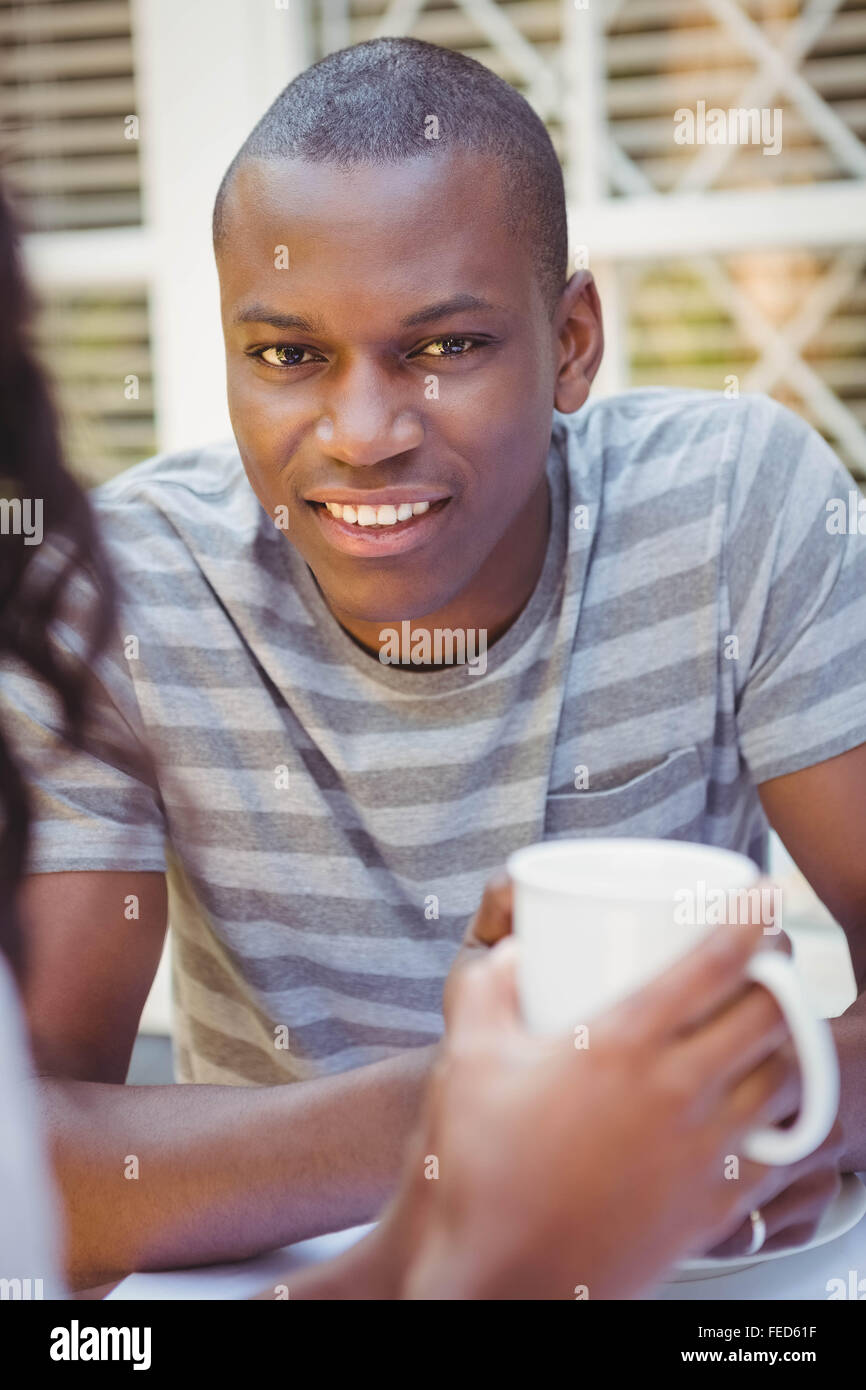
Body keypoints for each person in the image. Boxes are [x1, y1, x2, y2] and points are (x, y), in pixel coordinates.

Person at [1, 38, 863, 1289]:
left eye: (442, 348)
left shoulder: (733, 507)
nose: (361, 436)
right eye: (288, 355)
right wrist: (504, 1117)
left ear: (570, 341)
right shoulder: (124, 590)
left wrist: (774, 1103)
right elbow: (35, 1164)